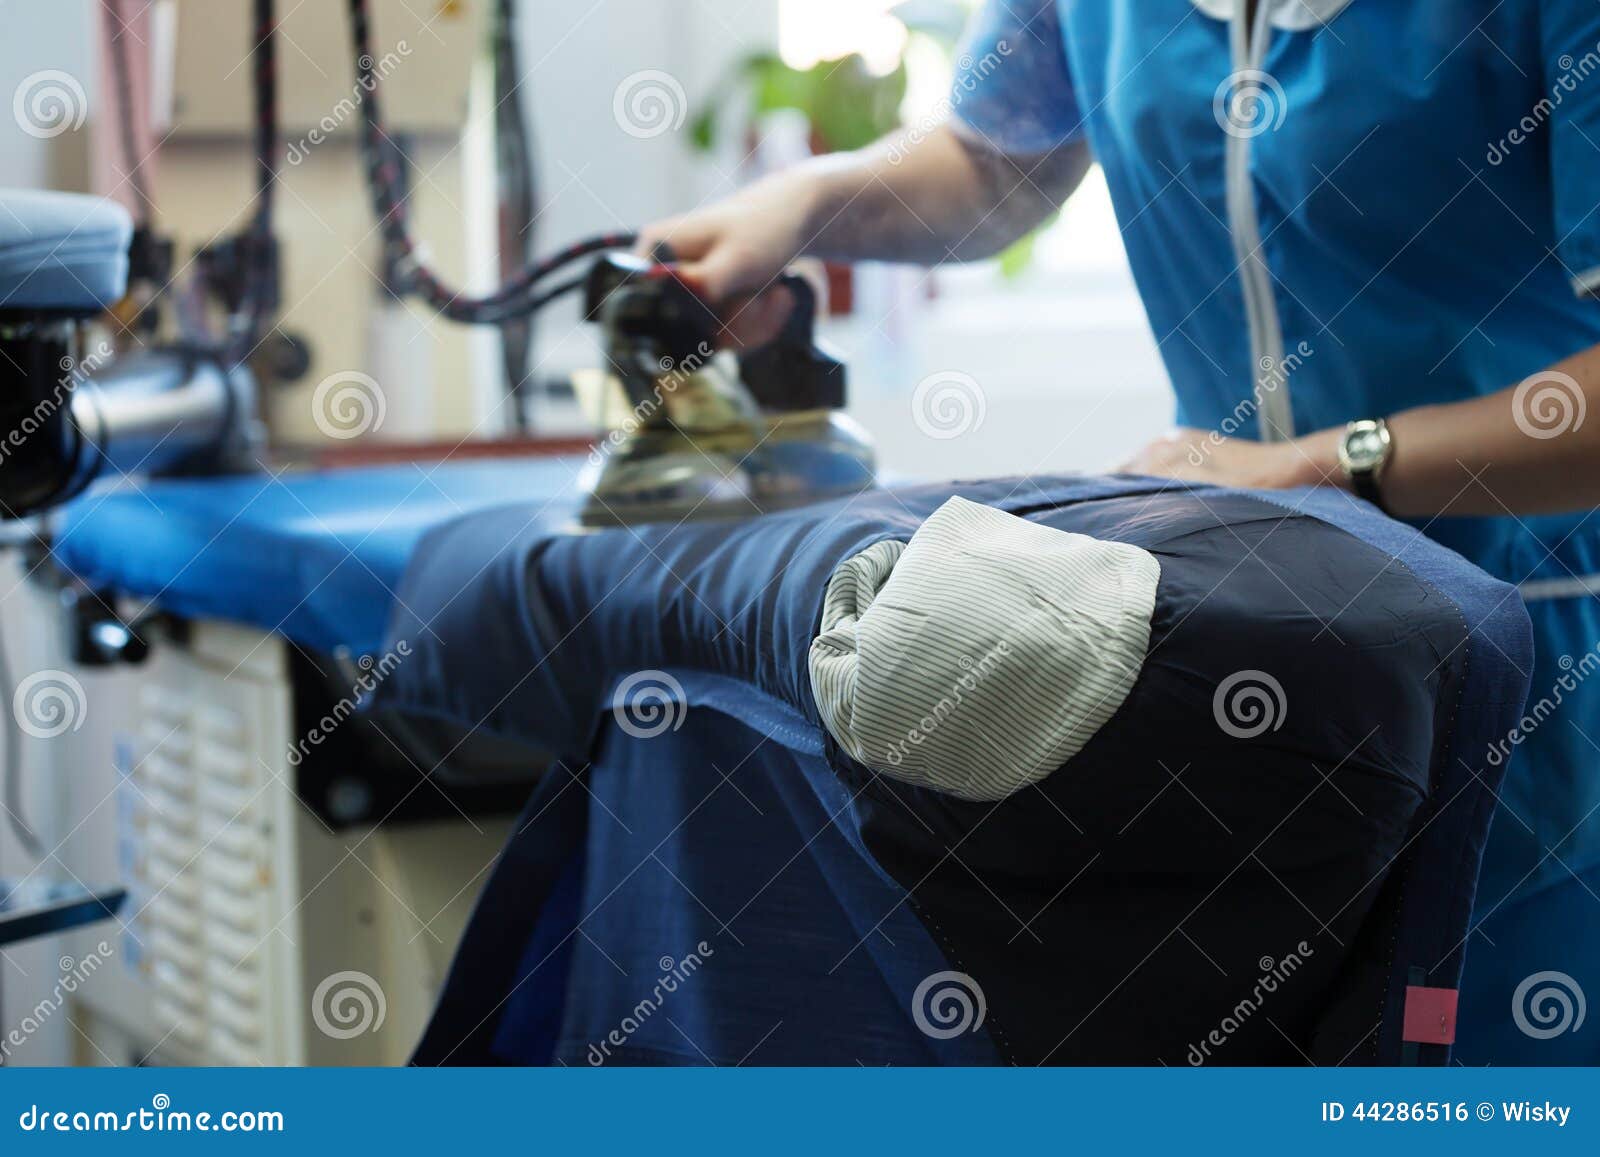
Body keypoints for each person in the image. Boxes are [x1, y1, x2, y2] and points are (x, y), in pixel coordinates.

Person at [640, 0, 1600, 1064]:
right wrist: (806, 202)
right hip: (1272, 652)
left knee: (1495, 1061)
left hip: (1545, 654)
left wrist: (1323, 464)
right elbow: (997, 162)